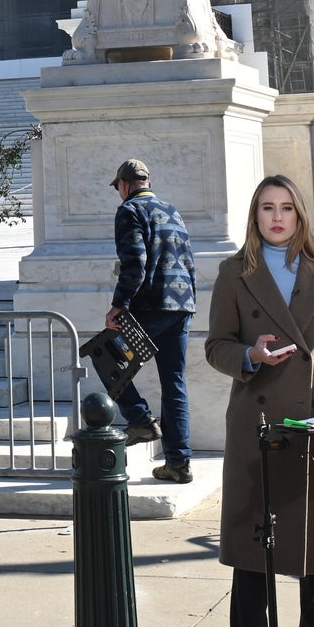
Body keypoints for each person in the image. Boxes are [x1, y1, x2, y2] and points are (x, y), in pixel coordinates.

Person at [204, 173, 314, 627]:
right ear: (255, 217)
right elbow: (216, 347)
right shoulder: (234, 273)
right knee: (252, 551)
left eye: (286, 208)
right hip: (258, 428)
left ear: (300, 215)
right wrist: (250, 355)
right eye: (267, 208)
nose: (277, 218)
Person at [105, 158, 196, 483]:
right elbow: (188, 260)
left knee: (108, 361)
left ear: (126, 185)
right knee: (174, 385)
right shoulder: (172, 211)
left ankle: (141, 420)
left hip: (150, 306)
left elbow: (135, 263)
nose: (119, 193)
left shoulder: (130, 211)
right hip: (182, 305)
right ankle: (179, 463)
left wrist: (119, 305)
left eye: (119, 188)